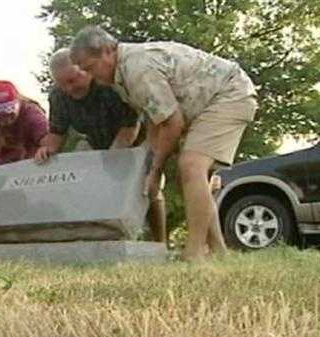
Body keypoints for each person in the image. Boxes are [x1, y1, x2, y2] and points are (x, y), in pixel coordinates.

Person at [70, 26, 257, 261]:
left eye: (90, 68)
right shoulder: (121, 75)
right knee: (190, 175)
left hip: (230, 93)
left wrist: (156, 171)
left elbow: (172, 122)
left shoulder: (137, 69)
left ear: (108, 51)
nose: (90, 77)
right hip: (207, 103)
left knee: (191, 166)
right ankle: (219, 251)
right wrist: (145, 159)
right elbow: (154, 118)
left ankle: (195, 252)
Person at [34, 48, 168, 245]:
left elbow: (129, 128)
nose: (70, 89)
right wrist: (48, 149)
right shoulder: (58, 96)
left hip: (137, 140)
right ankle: (98, 238)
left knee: (149, 188)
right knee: (88, 184)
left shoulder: (110, 86)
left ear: (85, 69)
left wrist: (112, 159)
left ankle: (161, 242)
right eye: (63, 84)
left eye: (73, 80)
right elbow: (57, 132)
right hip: (96, 142)